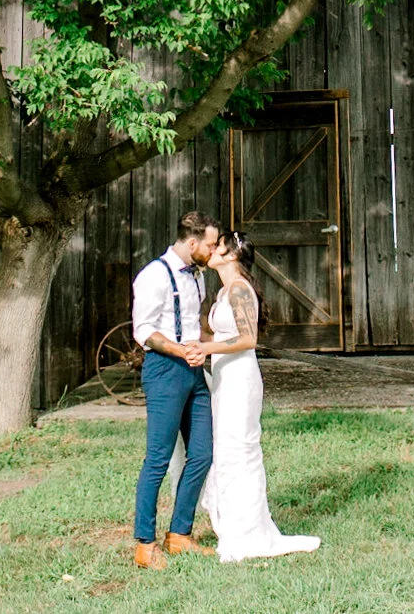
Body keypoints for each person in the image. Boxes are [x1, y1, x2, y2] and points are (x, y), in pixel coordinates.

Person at [195, 228, 321, 562]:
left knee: (242, 449)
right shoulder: (224, 292)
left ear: (231, 254)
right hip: (224, 376)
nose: (211, 251)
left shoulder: (240, 289)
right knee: (226, 449)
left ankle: (250, 533)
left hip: (240, 377)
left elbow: (248, 339)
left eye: (217, 247)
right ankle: (234, 527)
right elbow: (215, 333)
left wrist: (206, 348)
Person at [130, 211, 219, 569]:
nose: (213, 251)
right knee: (158, 458)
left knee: (203, 452)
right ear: (192, 242)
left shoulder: (197, 276)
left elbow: (194, 325)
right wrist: (181, 351)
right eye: (210, 245)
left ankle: (180, 534)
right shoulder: (153, 275)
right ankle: (144, 545)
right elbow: (143, 330)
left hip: (194, 372)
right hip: (165, 370)